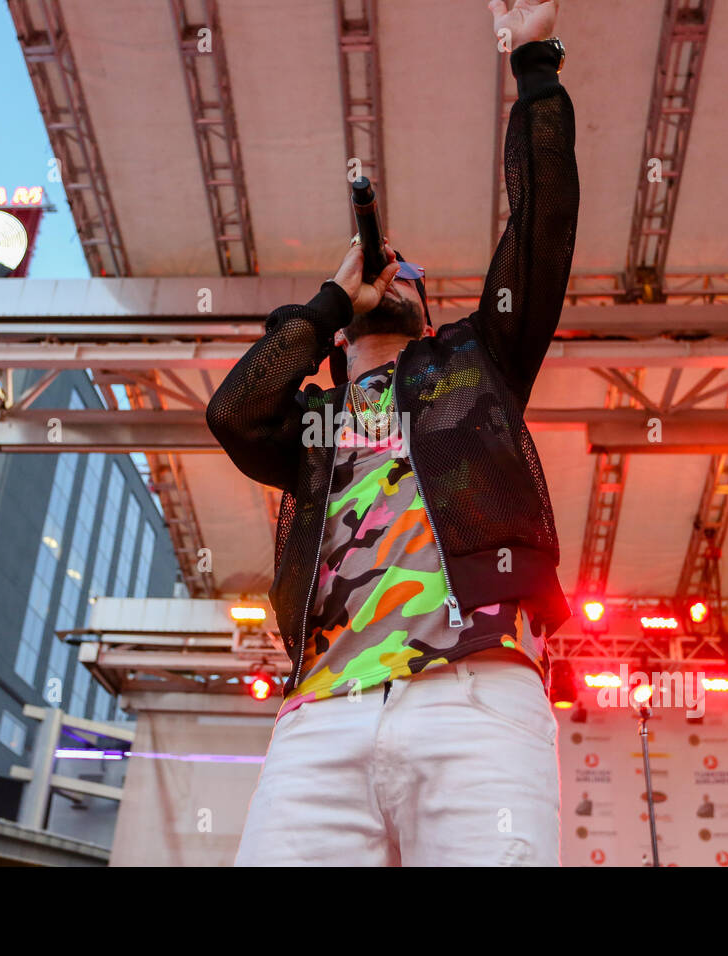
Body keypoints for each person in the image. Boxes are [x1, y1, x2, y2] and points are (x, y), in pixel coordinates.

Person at [206, 0, 578, 866]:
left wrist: (534, 63)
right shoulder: (310, 426)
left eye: (405, 269)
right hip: (318, 718)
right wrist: (330, 299)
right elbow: (231, 412)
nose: (396, 270)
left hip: (475, 688)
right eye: (383, 267)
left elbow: (542, 230)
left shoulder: (474, 364)